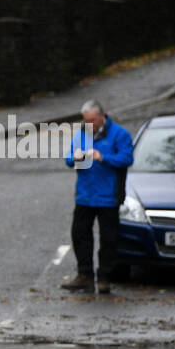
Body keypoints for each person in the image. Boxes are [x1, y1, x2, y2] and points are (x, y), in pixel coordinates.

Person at [61, 99, 134, 295]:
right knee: (79, 234)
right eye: (87, 121)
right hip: (85, 195)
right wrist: (74, 157)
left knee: (109, 238)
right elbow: (68, 159)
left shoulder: (120, 134)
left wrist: (103, 157)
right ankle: (84, 275)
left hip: (108, 196)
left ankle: (104, 277)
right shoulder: (81, 135)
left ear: (102, 116)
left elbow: (127, 158)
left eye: (93, 120)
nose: (90, 124)